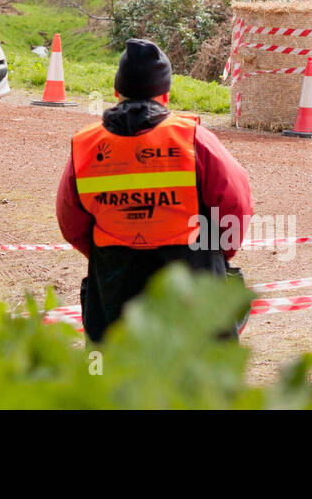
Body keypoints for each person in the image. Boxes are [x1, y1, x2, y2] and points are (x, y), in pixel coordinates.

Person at [55, 38, 254, 342]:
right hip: (194, 277)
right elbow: (235, 204)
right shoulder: (194, 139)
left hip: (115, 283)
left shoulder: (86, 146)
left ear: (116, 93)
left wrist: (105, 254)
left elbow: (71, 221)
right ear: (165, 94)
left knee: (117, 376)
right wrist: (216, 253)